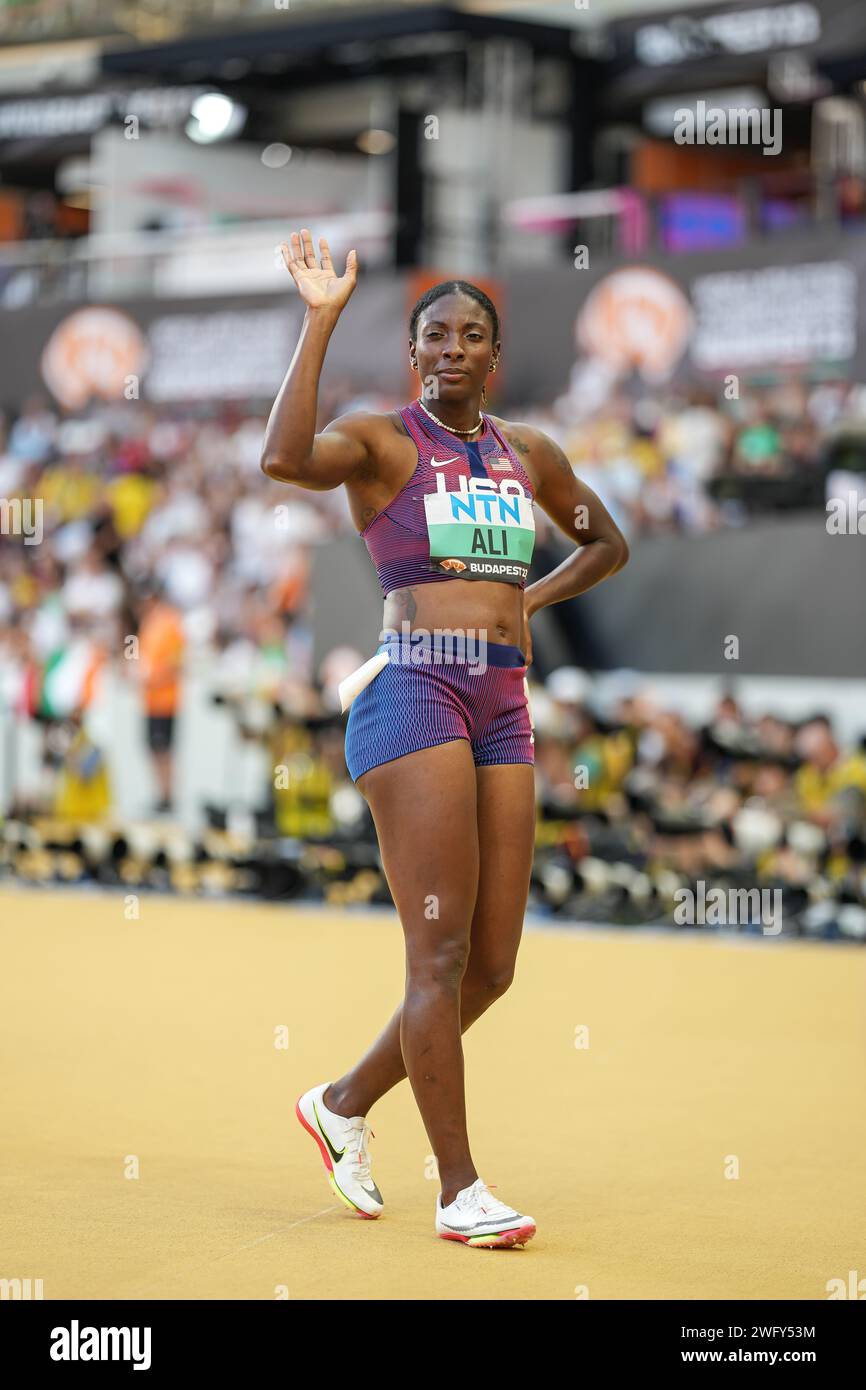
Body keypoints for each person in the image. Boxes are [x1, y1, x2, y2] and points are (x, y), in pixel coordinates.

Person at [262, 229, 629, 1247]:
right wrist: (321, 317)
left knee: (492, 967)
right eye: (435, 335)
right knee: (438, 955)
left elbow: (608, 540)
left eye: (472, 334)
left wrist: (528, 604)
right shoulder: (382, 444)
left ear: (494, 356)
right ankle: (459, 1188)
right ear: (414, 354)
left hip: (500, 699)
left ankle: (339, 1102)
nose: (453, 348)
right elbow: (284, 458)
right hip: (413, 688)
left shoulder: (529, 454)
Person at [137, 584, 185, 815]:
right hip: (150, 699)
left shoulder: (170, 623)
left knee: (164, 749)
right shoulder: (149, 624)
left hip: (165, 699)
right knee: (154, 749)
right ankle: (161, 793)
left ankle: (168, 795)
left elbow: (177, 662)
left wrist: (153, 676)